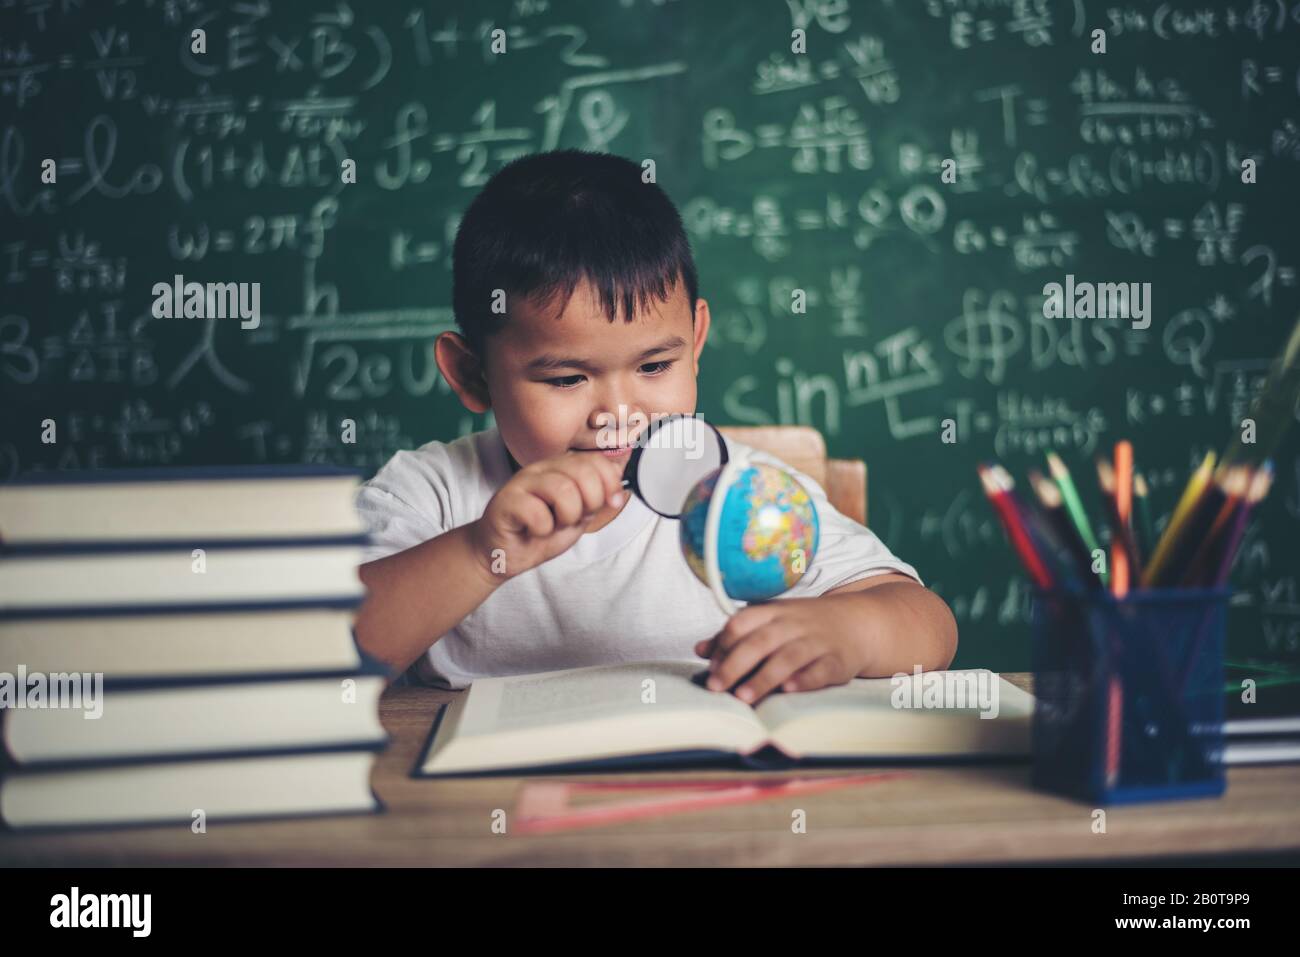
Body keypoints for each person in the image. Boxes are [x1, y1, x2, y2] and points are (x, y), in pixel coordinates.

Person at [352, 149, 957, 704]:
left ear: (695, 341)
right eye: (566, 379)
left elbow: (927, 623)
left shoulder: (744, 494)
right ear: (471, 373)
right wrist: (482, 551)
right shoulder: (430, 493)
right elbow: (325, 658)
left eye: (654, 366)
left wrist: (849, 629)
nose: (619, 412)